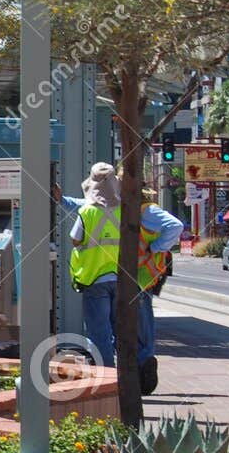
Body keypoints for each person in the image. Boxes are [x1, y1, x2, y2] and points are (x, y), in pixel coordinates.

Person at [62, 162, 183, 393]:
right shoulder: (124, 207)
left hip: (135, 277)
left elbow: (175, 226)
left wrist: (155, 248)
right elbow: (87, 205)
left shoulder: (143, 210)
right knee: (129, 329)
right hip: (128, 277)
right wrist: (62, 200)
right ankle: (133, 376)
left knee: (132, 330)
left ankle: (136, 372)